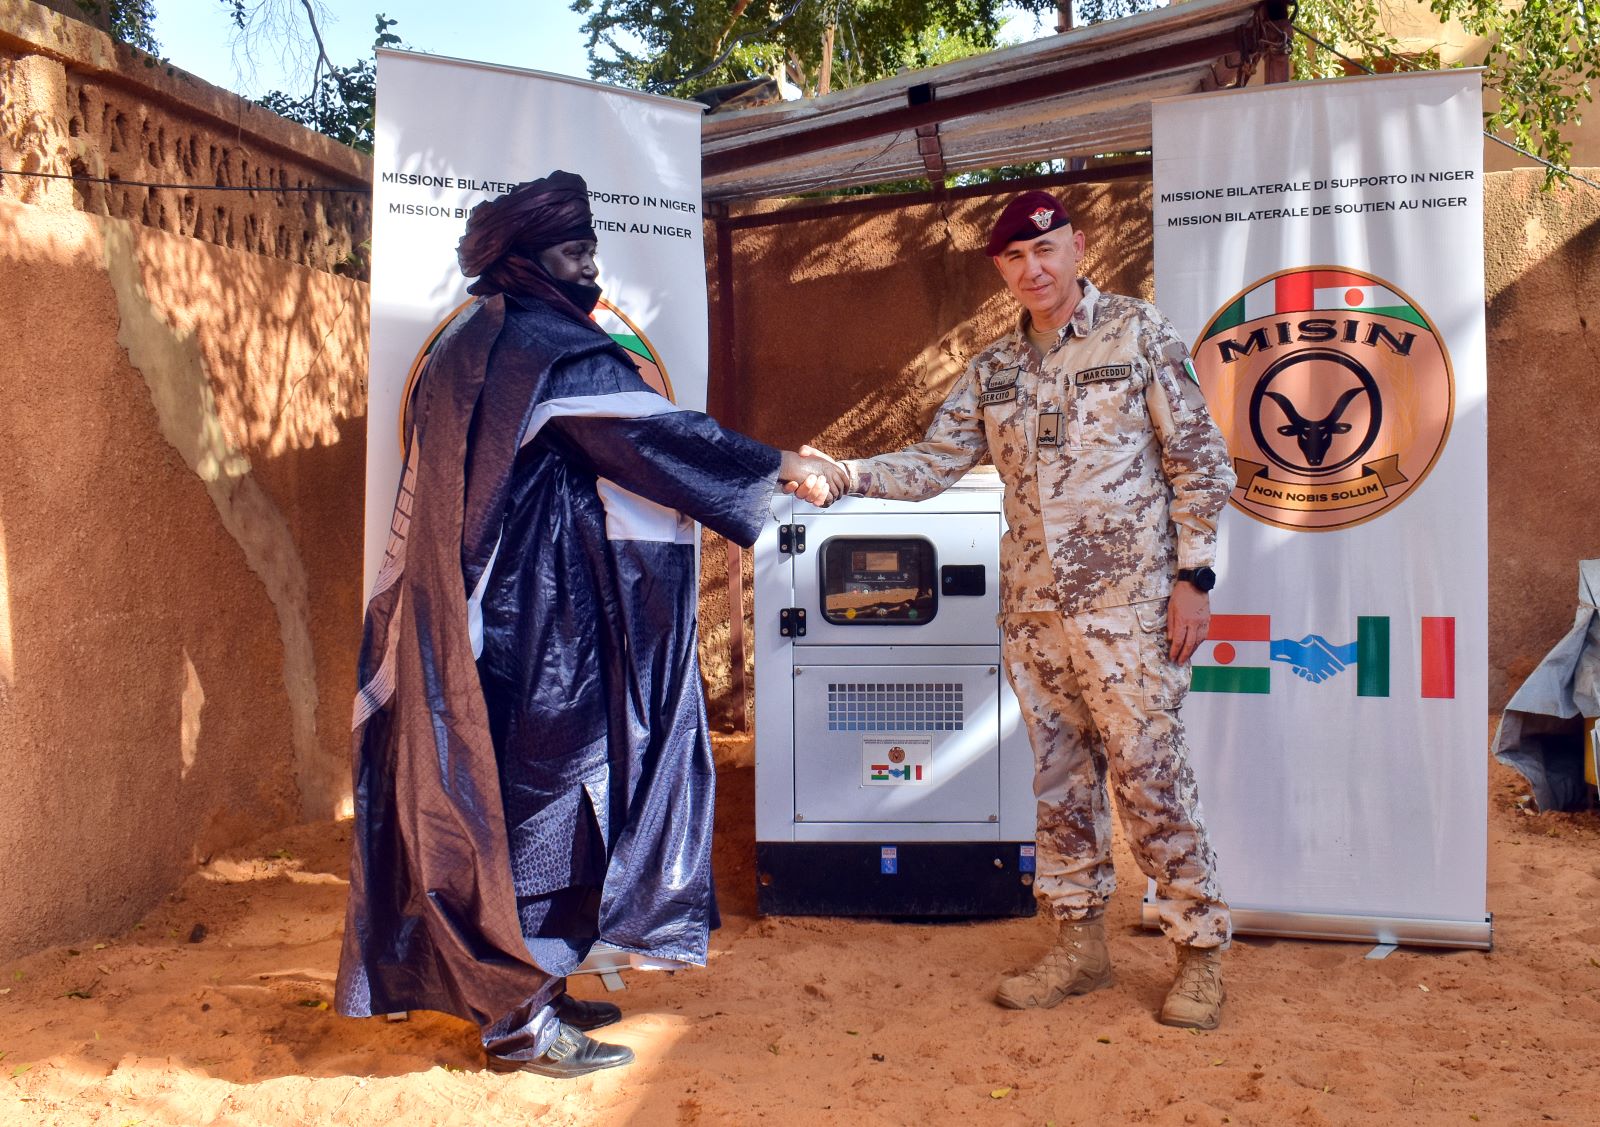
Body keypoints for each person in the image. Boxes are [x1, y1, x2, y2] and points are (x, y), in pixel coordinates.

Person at [337, 170, 839, 1077]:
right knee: (537, 807)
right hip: (536, 630)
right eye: (575, 252)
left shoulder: (479, 341)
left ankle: (543, 983)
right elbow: (652, 439)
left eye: (592, 248)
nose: (592, 269)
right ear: (524, 259)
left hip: (509, 622)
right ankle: (520, 1025)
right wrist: (781, 465)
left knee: (552, 804)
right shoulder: (545, 348)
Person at [797, 190, 1236, 1029]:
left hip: (1129, 610)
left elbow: (1199, 462)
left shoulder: (1139, 335)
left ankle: (1200, 951)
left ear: (1077, 246)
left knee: (1152, 779)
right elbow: (932, 463)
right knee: (1060, 786)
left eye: (1046, 251)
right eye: (1013, 259)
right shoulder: (994, 369)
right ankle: (1078, 947)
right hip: (1036, 617)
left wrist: (1197, 577)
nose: (1033, 269)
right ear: (1001, 270)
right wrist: (845, 474)